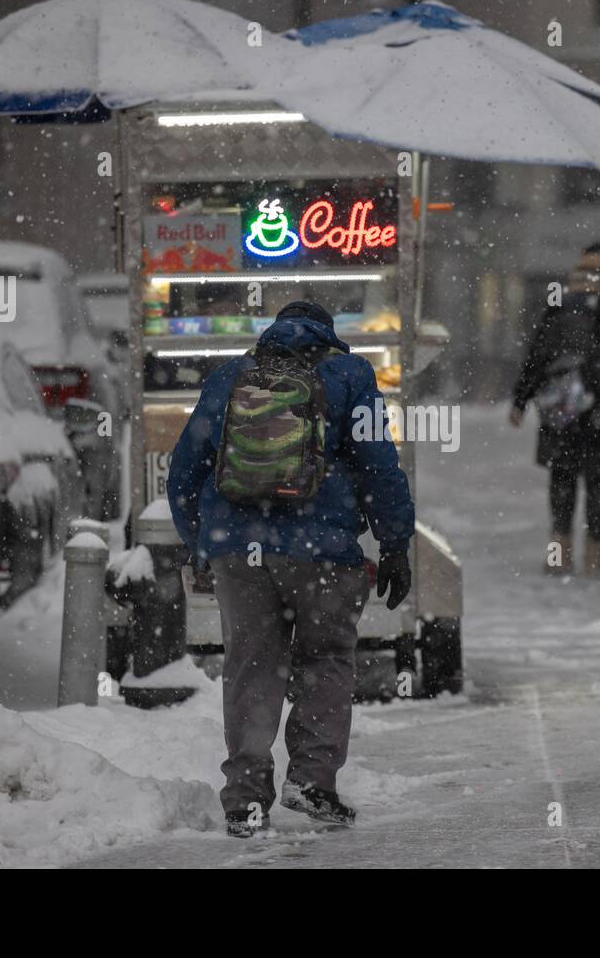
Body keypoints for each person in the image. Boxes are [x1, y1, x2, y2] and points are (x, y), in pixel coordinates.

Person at [167, 300, 415, 837]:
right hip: (323, 552)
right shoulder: (349, 375)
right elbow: (379, 463)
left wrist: (200, 543)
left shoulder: (232, 377)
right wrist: (395, 543)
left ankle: (246, 798)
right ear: (328, 335)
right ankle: (312, 781)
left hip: (239, 551)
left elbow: (184, 469)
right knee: (324, 660)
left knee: (252, 666)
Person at [510, 242, 600, 577]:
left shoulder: (560, 306)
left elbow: (538, 354)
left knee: (560, 484)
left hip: (562, 410)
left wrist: (521, 397)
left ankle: (556, 555)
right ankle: (595, 558)